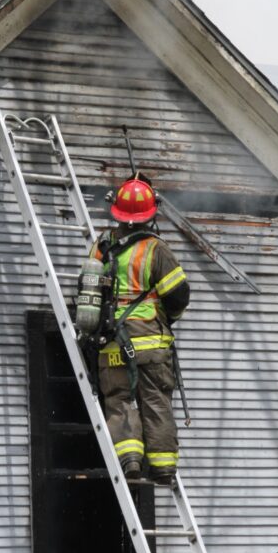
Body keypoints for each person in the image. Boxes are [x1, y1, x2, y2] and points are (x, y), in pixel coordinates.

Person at [85, 175, 189, 484]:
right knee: (156, 404)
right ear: (151, 213)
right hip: (151, 345)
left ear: (115, 210)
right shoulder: (156, 250)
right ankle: (163, 468)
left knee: (120, 401)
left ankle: (130, 458)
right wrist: (164, 317)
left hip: (112, 344)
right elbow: (178, 296)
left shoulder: (101, 247)